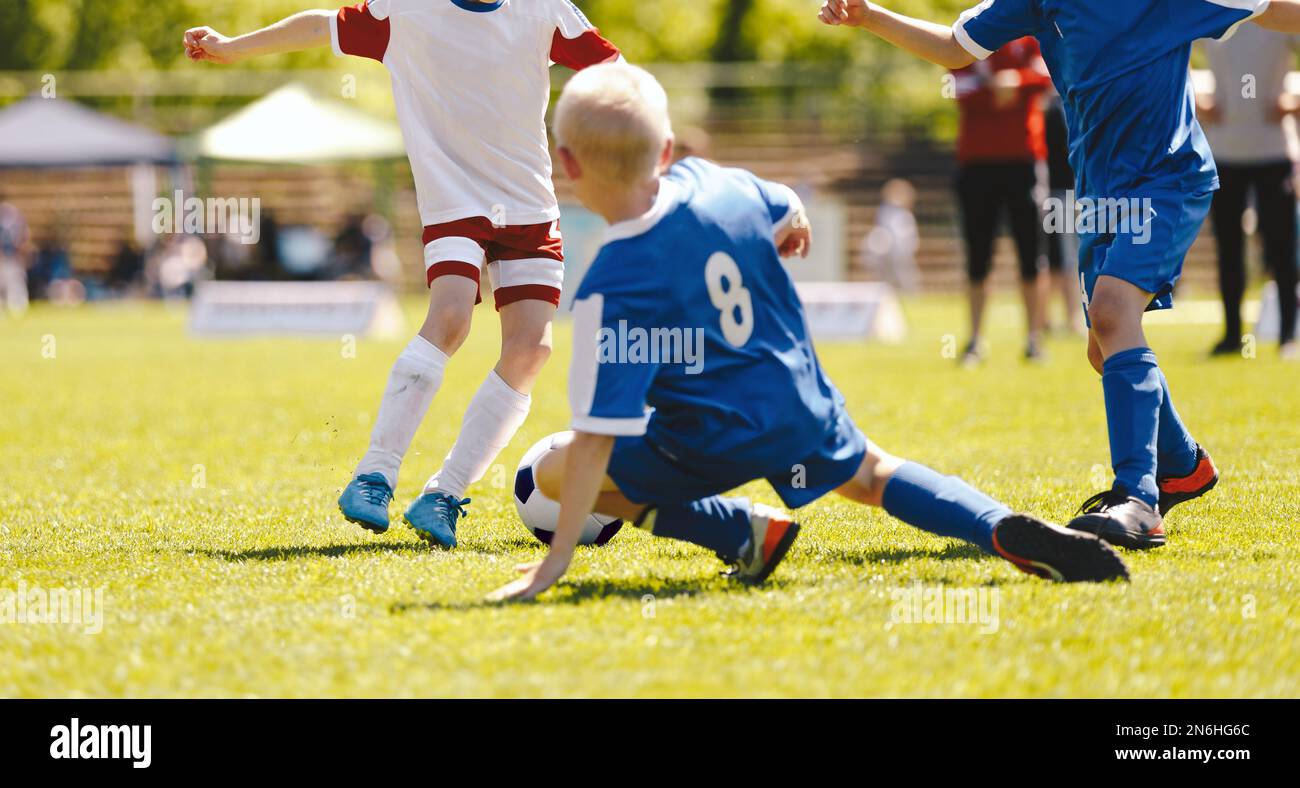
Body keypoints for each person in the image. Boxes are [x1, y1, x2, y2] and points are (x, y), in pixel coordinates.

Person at [487, 63, 1128, 602]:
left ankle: (737, 531)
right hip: (797, 404)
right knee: (874, 476)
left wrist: (557, 560)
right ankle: (995, 525)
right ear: (666, 151)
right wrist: (792, 224)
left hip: (707, 442)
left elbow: (600, 435)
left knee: (552, 468)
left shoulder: (608, 288)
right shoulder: (719, 182)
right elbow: (786, 204)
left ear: (566, 163)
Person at [817, 0, 1300, 550]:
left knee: (1115, 316)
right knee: (1104, 347)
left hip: (1169, 181)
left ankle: (1138, 499)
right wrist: (871, 16)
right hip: (1098, 198)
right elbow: (956, 47)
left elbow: (1274, 9)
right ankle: (1185, 465)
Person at [184, 0, 621, 546]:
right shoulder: (408, 10)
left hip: (530, 205)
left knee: (532, 350)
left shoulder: (544, 11)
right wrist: (231, 46)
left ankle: (445, 494)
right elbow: (321, 25)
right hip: (455, 198)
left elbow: (614, 75)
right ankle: (375, 475)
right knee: (453, 316)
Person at [1198, 25, 1300, 360]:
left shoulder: (1277, 10)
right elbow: (1166, 50)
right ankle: (1231, 337)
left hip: (1274, 152)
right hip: (1225, 154)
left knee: (1281, 248)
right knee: (1229, 250)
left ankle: (1288, 335)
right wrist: (1193, 99)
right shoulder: (1211, 11)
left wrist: (1295, 100)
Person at [950, 36, 1052, 364]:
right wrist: (993, 90)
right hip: (977, 161)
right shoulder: (968, 31)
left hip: (1023, 159)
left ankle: (1034, 339)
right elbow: (955, 88)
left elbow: (1051, 75)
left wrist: (1017, 80)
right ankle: (975, 339)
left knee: (1031, 251)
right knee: (978, 253)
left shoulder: (1031, 34)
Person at [1042, 91, 1084, 335]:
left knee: (1068, 257)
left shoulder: (1066, 105)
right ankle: (1069, 317)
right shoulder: (1056, 108)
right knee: (1066, 258)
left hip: (1073, 191)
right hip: (1061, 192)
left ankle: (1069, 316)